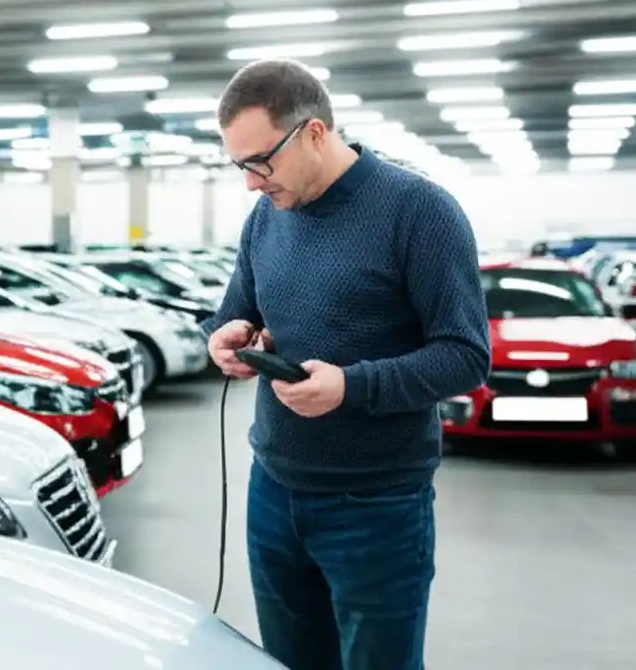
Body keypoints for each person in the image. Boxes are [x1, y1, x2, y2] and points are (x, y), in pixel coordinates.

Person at [203, 59, 491, 670]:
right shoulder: (266, 219)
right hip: (273, 491)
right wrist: (228, 335)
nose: (253, 183)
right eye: (241, 166)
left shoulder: (419, 212)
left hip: (377, 506)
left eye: (261, 162)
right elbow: (238, 311)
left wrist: (352, 387)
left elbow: (465, 355)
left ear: (313, 133)